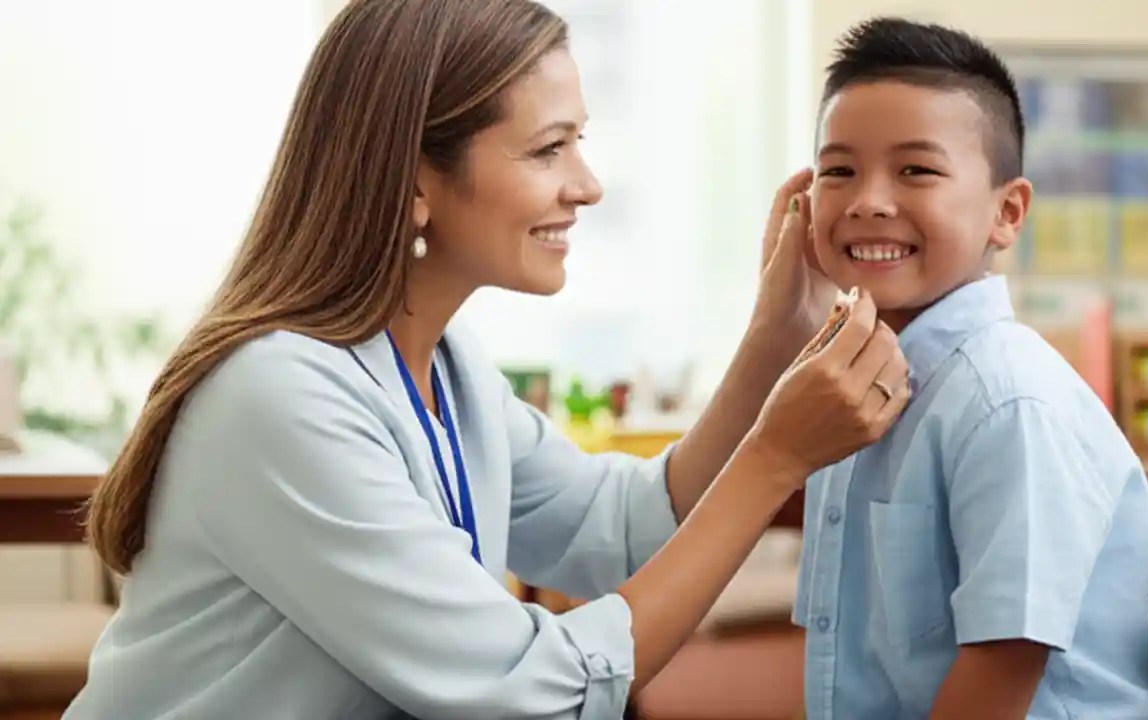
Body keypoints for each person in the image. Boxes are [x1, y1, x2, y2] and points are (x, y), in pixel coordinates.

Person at [65, 2, 910, 719]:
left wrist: (770, 344)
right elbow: (534, 695)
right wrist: (774, 459)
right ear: (414, 182)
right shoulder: (279, 397)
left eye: (580, 142)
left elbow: (616, 531)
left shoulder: (448, 367)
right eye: (549, 150)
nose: (587, 184)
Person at [791, 17, 1148, 720]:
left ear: (1007, 212)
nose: (868, 200)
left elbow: (1003, 664)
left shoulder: (1007, 401)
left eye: (916, 170)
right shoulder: (850, 396)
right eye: (837, 170)